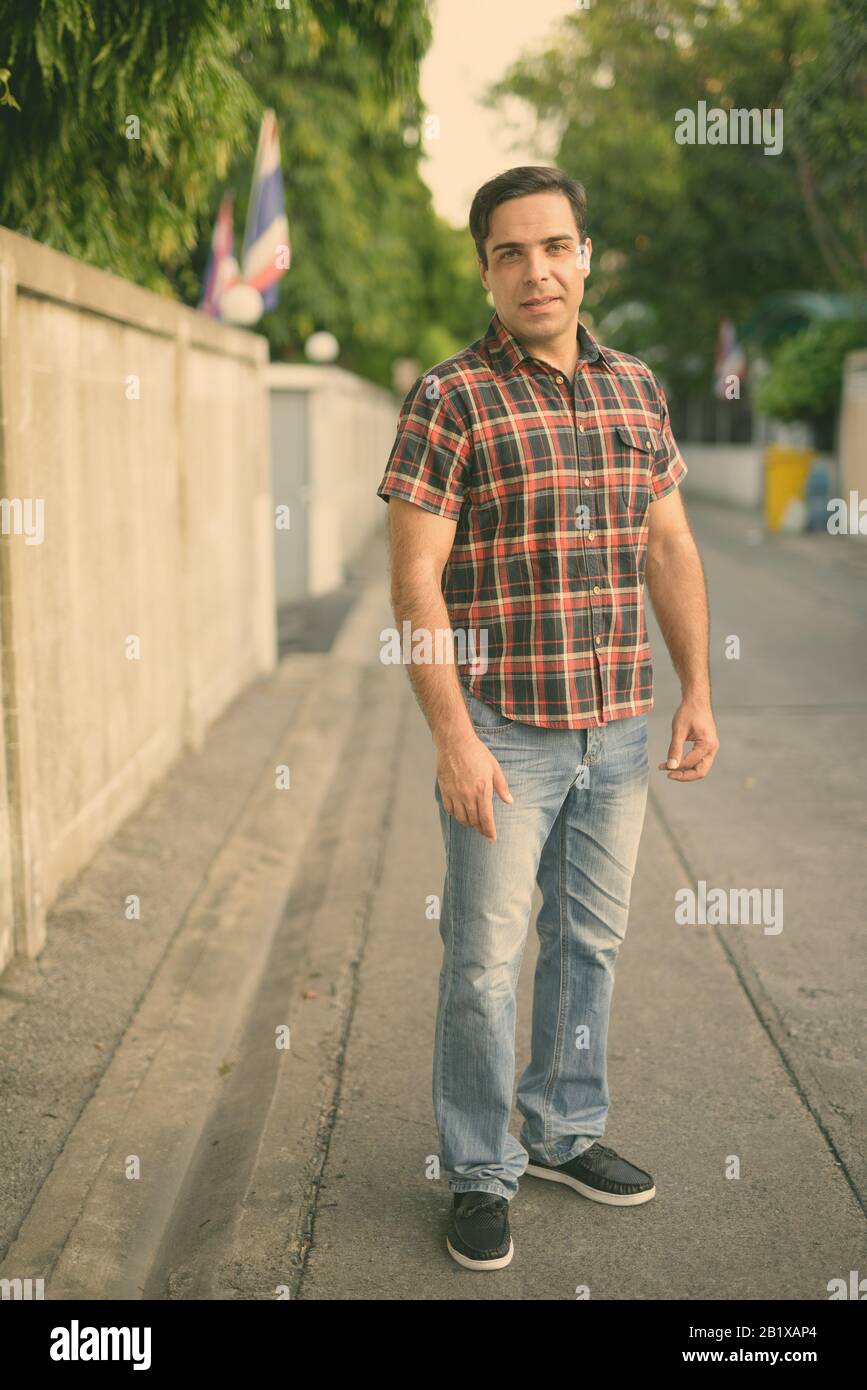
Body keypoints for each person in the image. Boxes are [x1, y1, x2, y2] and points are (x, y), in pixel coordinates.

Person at [376, 166, 719, 1271]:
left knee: (590, 945)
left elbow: (668, 546)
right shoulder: (450, 397)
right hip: (504, 731)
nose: (537, 270)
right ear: (485, 267)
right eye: (511, 251)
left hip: (618, 725)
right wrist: (452, 738)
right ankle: (480, 1169)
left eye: (555, 246)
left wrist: (698, 688)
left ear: (586, 257)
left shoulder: (635, 389)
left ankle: (565, 1130)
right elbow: (415, 584)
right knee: (483, 960)